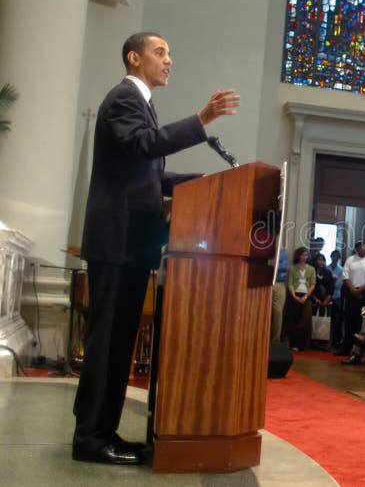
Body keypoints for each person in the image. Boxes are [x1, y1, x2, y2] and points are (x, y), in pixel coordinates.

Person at [74, 32, 240, 465]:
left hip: (129, 243)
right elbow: (142, 147)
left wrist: (206, 185)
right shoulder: (124, 98)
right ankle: (90, 438)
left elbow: (147, 172)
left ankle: (104, 431)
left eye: (170, 53)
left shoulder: (142, 104)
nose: (169, 60)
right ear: (134, 57)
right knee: (107, 344)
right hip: (116, 242)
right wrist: (200, 120)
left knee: (118, 345)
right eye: (160, 52)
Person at [339, 241, 365, 355]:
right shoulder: (350, 259)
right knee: (350, 320)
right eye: (359, 246)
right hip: (351, 291)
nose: (361, 248)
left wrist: (360, 290)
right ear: (356, 248)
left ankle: (362, 350)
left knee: (364, 321)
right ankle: (346, 347)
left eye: (363, 246)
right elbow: (345, 276)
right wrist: (353, 289)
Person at [285, 247, 316, 351]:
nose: (304, 257)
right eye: (302, 255)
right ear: (298, 256)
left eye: (306, 255)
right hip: (294, 295)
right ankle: (293, 343)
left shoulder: (311, 269)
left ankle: (304, 344)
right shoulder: (292, 268)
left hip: (306, 295)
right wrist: (294, 296)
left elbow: (312, 284)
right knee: (293, 319)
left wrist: (306, 296)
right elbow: (290, 283)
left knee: (306, 319)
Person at [271, 249, 289, 342]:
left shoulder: (281, 253)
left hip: (279, 283)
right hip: (263, 283)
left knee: (277, 312)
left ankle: (275, 340)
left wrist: (274, 265)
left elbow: (285, 267)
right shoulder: (260, 250)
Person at [328, 249, 345, 349]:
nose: (335, 258)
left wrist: (332, 282)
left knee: (337, 320)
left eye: (336, 257)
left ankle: (336, 341)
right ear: (331, 257)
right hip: (327, 297)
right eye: (333, 256)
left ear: (339, 258)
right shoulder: (327, 268)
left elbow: (339, 285)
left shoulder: (341, 270)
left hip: (337, 297)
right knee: (328, 319)